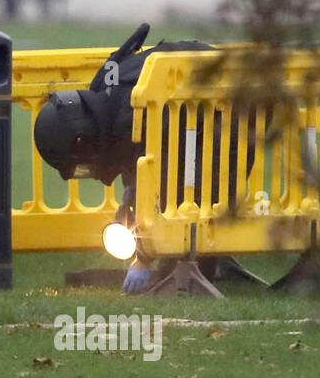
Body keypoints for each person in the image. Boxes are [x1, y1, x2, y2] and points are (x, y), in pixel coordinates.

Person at [33, 23, 255, 293]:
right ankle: (194, 264)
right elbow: (136, 168)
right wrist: (127, 216)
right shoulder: (108, 97)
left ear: (84, 142)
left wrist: (143, 259)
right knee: (189, 187)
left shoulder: (130, 114)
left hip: (225, 114)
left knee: (197, 193)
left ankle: (196, 270)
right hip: (213, 103)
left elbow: (156, 175)